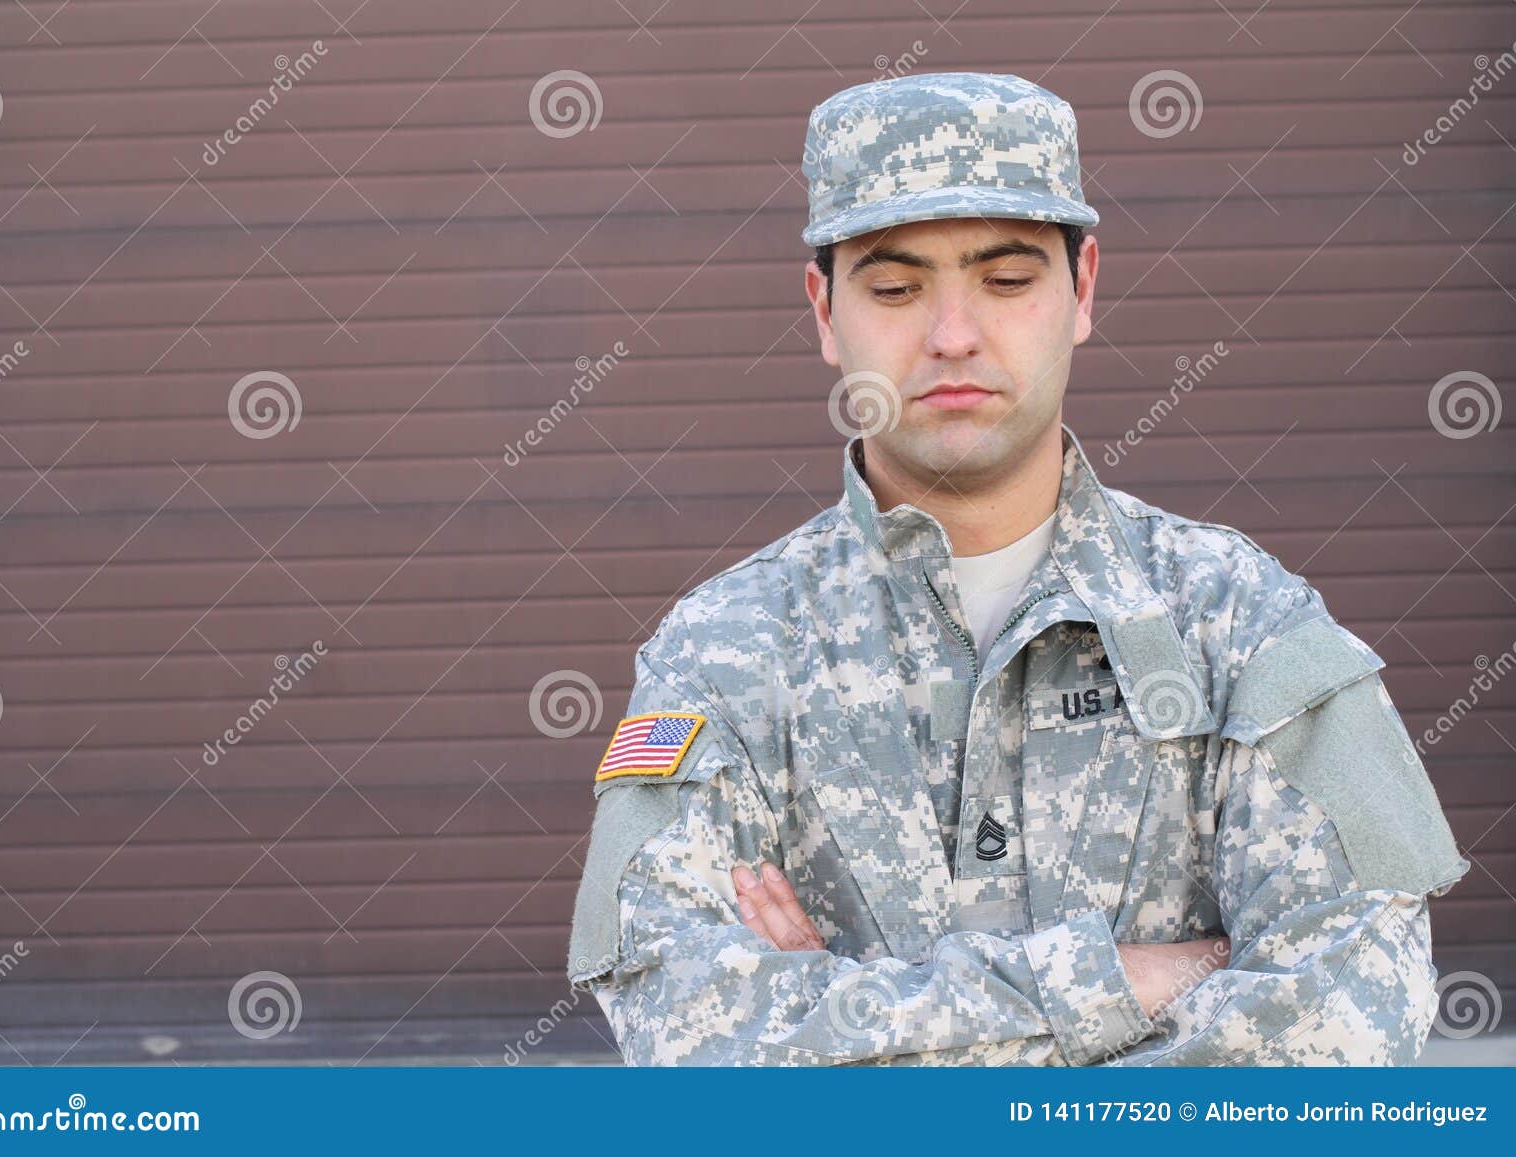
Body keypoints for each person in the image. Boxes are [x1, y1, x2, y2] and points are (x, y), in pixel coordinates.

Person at [565, 71, 1469, 1066]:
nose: (953, 336)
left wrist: (849, 1030)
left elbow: (1348, 1015)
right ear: (825, 312)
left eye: (1005, 281)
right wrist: (1122, 981)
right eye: (896, 288)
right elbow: (682, 1032)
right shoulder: (722, 654)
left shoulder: (1240, 620)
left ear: (1082, 290)